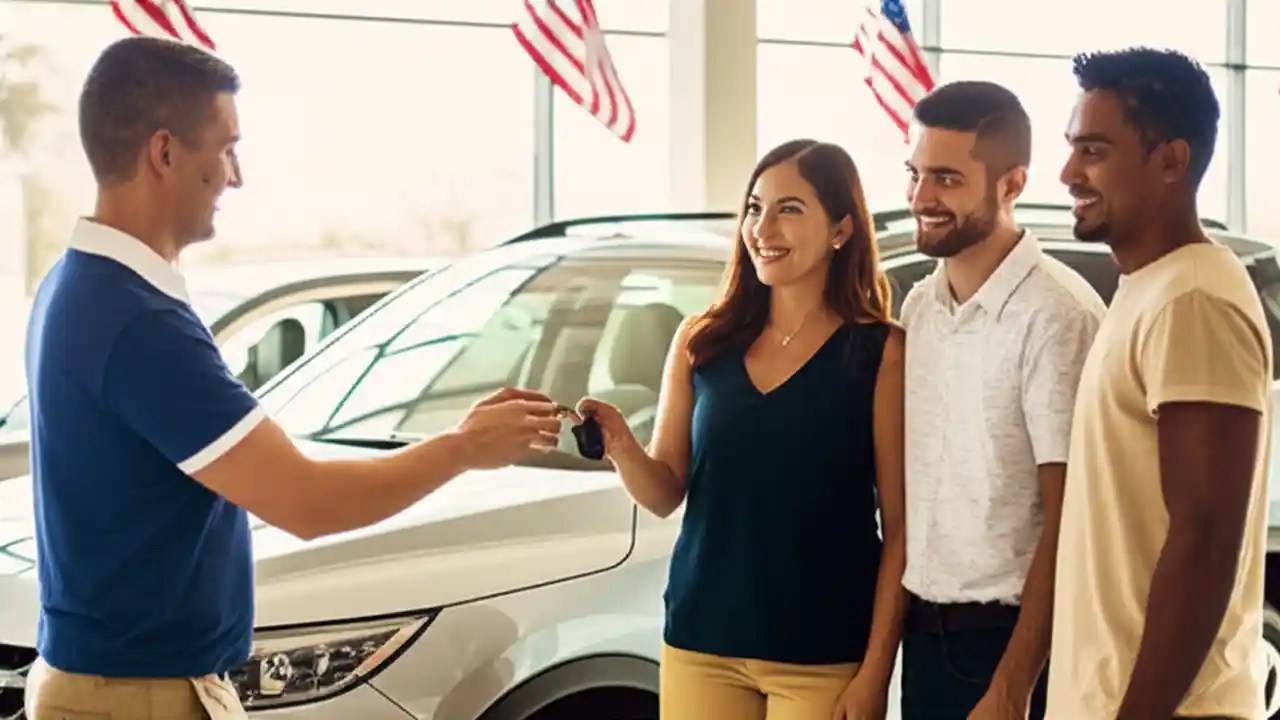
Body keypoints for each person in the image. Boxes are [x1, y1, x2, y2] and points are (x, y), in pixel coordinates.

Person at [22, 37, 561, 720]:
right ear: (164, 153)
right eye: (225, 149)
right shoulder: (136, 320)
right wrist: (463, 447)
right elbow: (308, 503)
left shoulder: (77, 286)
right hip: (139, 699)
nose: (236, 176)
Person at [571, 139, 906, 720]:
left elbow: (901, 528)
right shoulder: (701, 341)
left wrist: (876, 671)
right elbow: (664, 493)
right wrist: (623, 447)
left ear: (842, 229)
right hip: (703, 641)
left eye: (790, 209)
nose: (763, 227)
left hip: (825, 655)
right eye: (754, 208)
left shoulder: (882, 352)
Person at [1048, 47, 1272, 720]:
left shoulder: (1193, 298)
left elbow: (1204, 535)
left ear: (1170, 161)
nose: (1068, 172)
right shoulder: (1149, 289)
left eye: (1093, 150)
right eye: (1072, 148)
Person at [897, 80, 1105, 720]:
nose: (921, 198)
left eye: (947, 180)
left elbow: (1069, 518)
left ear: (1011, 185)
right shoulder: (919, 307)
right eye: (914, 174)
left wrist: (1015, 681)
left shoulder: (1057, 316)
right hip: (926, 641)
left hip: (1010, 651)